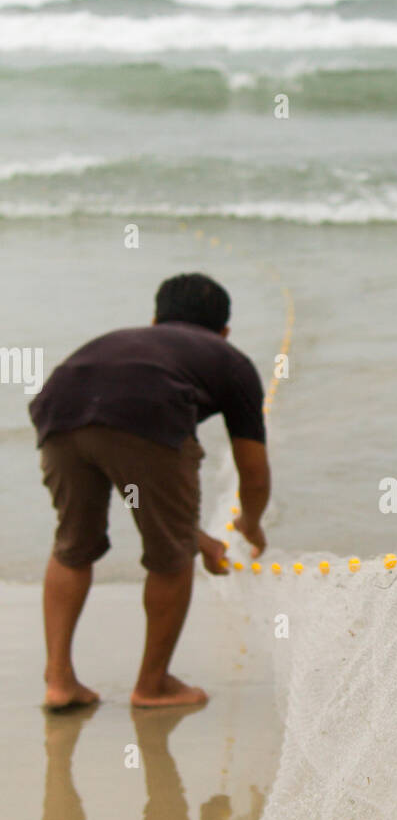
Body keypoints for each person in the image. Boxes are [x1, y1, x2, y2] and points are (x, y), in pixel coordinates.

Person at [30, 272, 271, 710]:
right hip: (147, 416)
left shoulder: (121, 340)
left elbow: (136, 485)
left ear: (156, 317)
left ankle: (59, 681)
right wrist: (250, 526)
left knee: (73, 545)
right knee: (170, 558)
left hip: (59, 408)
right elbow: (252, 470)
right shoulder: (230, 360)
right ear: (224, 331)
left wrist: (197, 536)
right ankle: (153, 685)